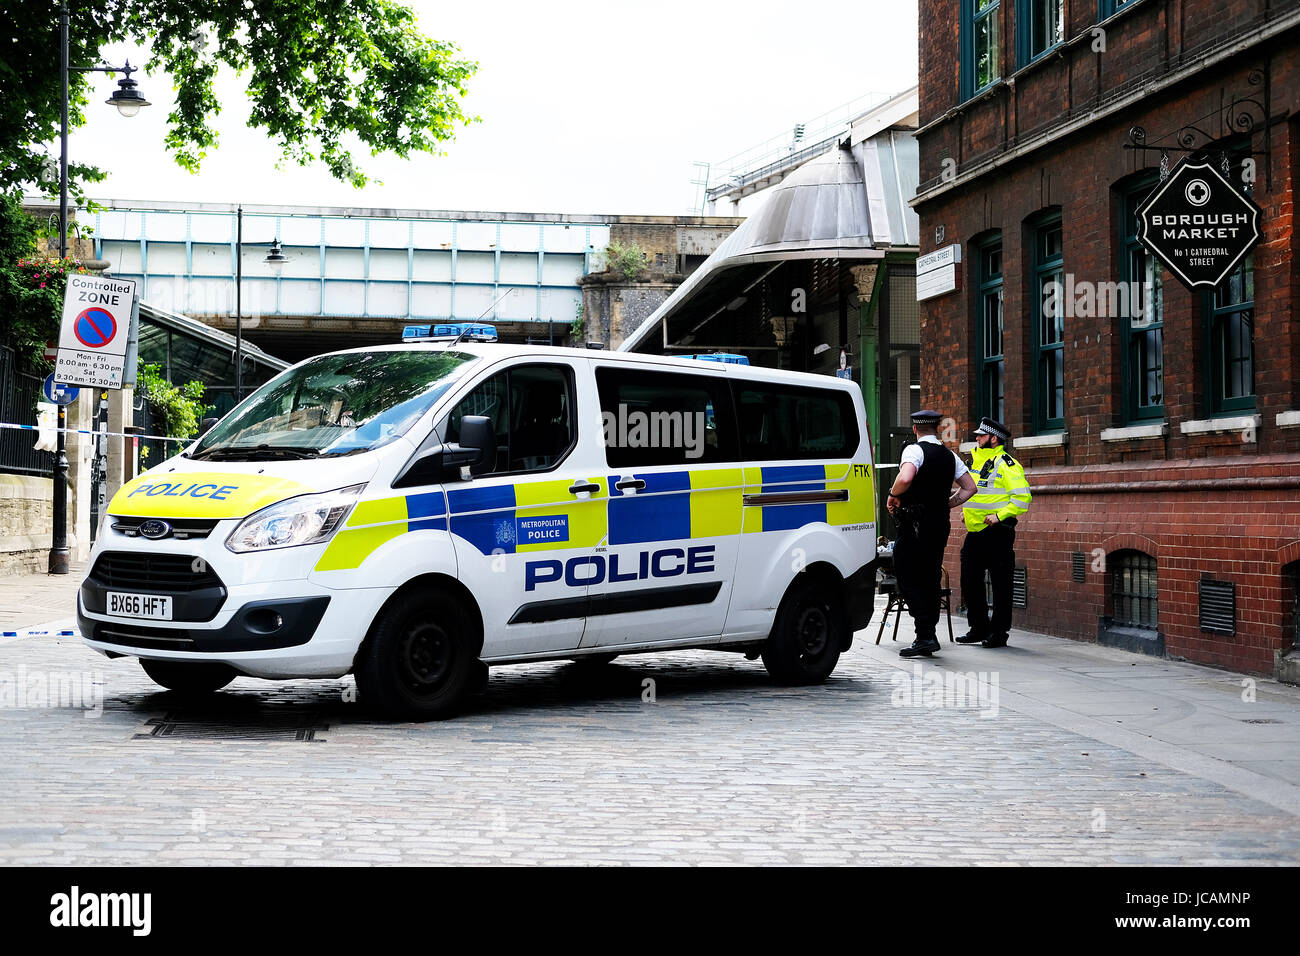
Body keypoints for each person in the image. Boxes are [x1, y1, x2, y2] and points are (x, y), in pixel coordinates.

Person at [887, 410, 977, 658]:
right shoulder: (950, 456)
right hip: (939, 524)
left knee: (905, 572)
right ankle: (927, 635)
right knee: (930, 575)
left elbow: (905, 478)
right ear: (937, 429)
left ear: (915, 429)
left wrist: (893, 494)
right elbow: (970, 488)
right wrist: (944, 504)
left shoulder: (914, 451)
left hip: (914, 524)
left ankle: (925, 634)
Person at [956, 417, 1032, 648]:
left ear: (993, 438)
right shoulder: (976, 462)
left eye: (981, 436)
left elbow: (1022, 497)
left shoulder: (1007, 463)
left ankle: (999, 633)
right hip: (975, 531)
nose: (977, 438)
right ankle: (978, 628)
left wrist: (999, 516)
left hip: (997, 532)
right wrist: (967, 513)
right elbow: (978, 494)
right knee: (969, 581)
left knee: (1001, 585)